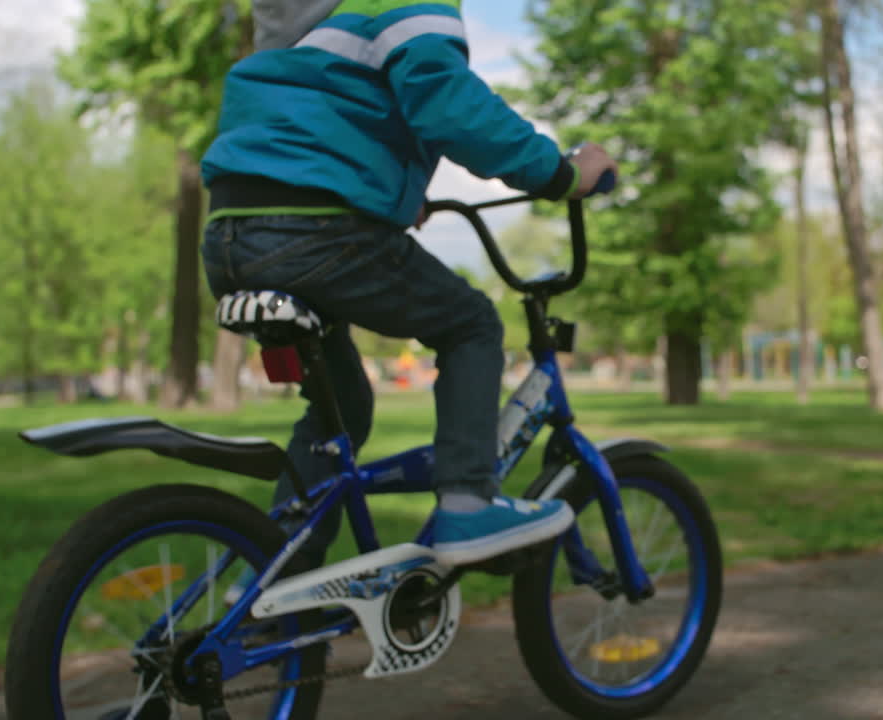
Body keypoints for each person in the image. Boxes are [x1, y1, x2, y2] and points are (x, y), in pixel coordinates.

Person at [199, 0, 617, 568]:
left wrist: (386, 189)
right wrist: (562, 173)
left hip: (233, 235)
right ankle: (468, 505)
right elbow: (448, 102)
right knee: (471, 323)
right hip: (318, 231)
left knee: (342, 405)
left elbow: (314, 123)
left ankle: (279, 581)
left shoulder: (305, 21)